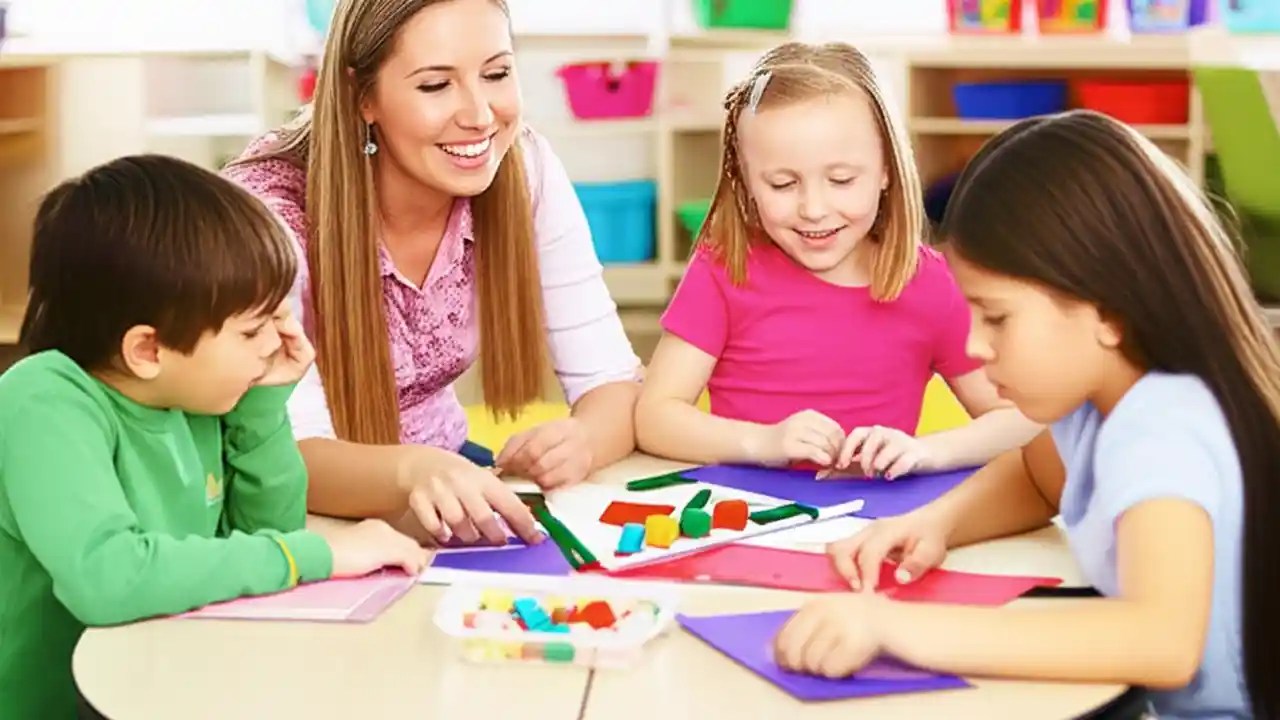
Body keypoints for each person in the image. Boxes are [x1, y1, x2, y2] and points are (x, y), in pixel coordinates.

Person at [773, 111, 1279, 720]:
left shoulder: (1161, 427)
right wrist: (936, 523)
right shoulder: (1098, 399)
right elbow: (1037, 476)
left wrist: (894, 627)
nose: (976, 348)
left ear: (1107, 310)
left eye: (998, 317)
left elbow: (1162, 642)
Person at [0, 155, 429, 718]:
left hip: (159, 686)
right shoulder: (42, 400)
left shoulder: (190, 396)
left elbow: (264, 533)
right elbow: (109, 580)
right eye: (252, 330)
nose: (275, 343)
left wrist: (261, 407)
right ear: (147, 349)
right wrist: (321, 552)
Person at [224, 0, 642, 545]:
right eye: (435, 85)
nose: (479, 114)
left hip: (450, 482)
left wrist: (582, 439)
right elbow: (286, 450)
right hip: (291, 513)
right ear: (362, 97)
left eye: (496, 74)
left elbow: (611, 379)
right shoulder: (270, 216)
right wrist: (413, 474)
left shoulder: (525, 169)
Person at [635, 42, 1037, 478]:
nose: (814, 208)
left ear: (887, 168)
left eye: (841, 180)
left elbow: (1020, 418)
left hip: (874, 523)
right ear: (746, 180)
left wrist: (926, 451)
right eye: (783, 184)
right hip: (745, 516)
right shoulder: (724, 267)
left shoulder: (929, 283)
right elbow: (655, 418)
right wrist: (762, 442)